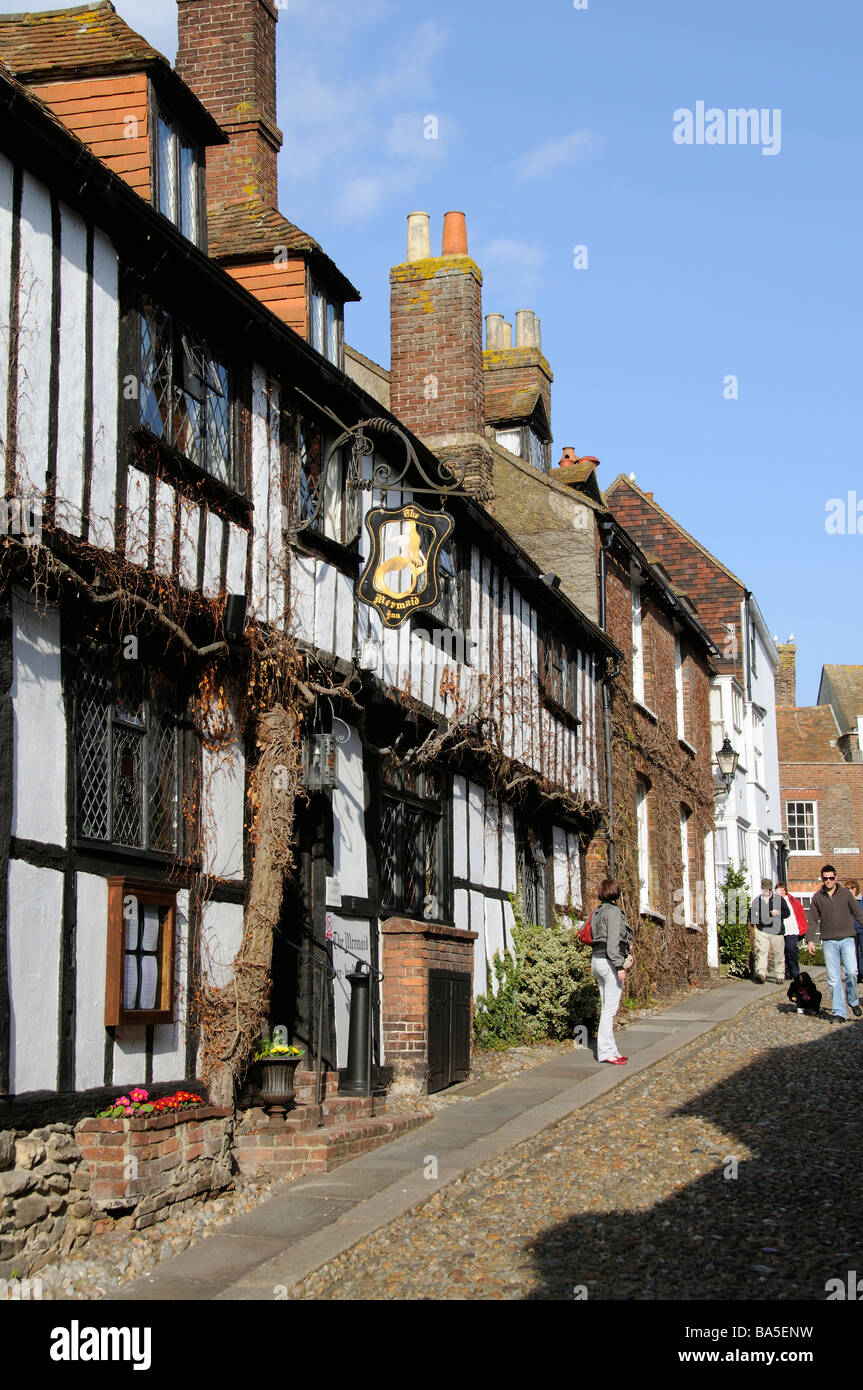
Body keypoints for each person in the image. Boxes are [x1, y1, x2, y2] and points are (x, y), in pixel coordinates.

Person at [806, 865, 863, 1022]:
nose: (829, 881)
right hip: (829, 941)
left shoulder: (845, 894)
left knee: (852, 972)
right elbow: (812, 920)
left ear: (836, 878)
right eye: (825, 878)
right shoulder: (818, 897)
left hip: (847, 939)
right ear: (822, 879)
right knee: (833, 978)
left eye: (831, 878)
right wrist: (810, 940)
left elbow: (858, 913)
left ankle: (852, 1000)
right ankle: (839, 1012)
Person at [590, 878, 634, 1065]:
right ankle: (606, 1052)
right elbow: (613, 941)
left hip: (596, 961)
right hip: (609, 963)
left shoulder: (597, 911)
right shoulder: (614, 912)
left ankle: (611, 1049)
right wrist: (619, 966)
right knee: (609, 1010)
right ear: (615, 893)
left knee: (605, 1008)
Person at [749, 880, 790, 983]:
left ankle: (780, 975)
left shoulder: (779, 900)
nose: (767, 891)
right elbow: (751, 915)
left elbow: (787, 913)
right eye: (765, 889)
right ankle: (761, 974)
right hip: (762, 930)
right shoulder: (757, 900)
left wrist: (778, 913)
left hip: (776, 931)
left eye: (769, 889)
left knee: (779, 953)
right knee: (761, 952)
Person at [775, 882, 805, 981]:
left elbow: (800, 913)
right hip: (780, 930)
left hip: (792, 929)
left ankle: (795, 972)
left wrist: (803, 927)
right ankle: (787, 973)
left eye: (782, 890)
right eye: (778, 890)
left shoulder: (792, 900)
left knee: (791, 950)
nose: (780, 892)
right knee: (783, 952)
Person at [845, 878, 863, 984]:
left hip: (861, 929)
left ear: (854, 889)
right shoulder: (846, 902)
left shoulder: (861, 901)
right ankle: (857, 974)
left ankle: (862, 972)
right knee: (853, 953)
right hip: (850, 930)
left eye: (848, 889)